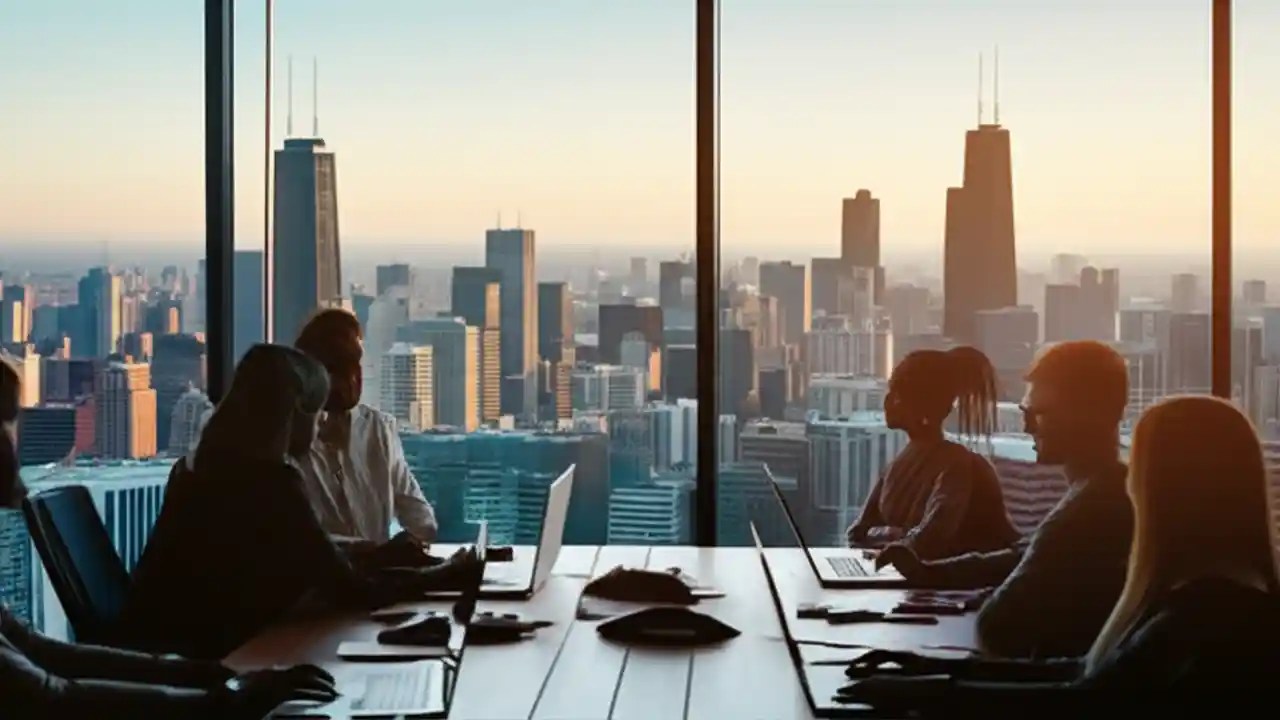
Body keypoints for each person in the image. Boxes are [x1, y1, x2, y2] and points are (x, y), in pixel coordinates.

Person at [842, 395, 1280, 714]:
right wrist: (929, 670)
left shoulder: (1203, 613)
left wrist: (928, 693)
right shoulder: (1218, 594)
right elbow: (1083, 673)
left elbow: (1086, 700)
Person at [1, 354, 342, 718]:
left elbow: (44, 655)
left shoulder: (203, 466)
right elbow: (47, 699)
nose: (13, 439)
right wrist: (227, 699)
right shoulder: (266, 480)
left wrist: (221, 677)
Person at [118, 344, 473, 661]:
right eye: (318, 414)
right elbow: (350, 593)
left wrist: (370, 554)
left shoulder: (196, 468)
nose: (321, 426)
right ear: (294, 415)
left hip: (163, 650)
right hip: (213, 665)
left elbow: (295, 554)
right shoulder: (270, 483)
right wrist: (444, 573)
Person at [877, 341, 1133, 659]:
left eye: (1038, 414)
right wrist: (929, 573)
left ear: (1087, 415)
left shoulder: (1091, 509)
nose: (1026, 427)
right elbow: (1021, 556)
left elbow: (996, 628)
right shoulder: (1106, 491)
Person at [845, 346, 1019, 560]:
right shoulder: (900, 462)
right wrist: (894, 535)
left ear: (926, 406)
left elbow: (930, 540)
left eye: (899, 395)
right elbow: (857, 534)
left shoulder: (956, 463)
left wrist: (885, 536)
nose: (887, 402)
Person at [293, 309, 438, 547]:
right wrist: (372, 552)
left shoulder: (379, 429)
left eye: (356, 363)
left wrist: (412, 540)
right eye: (338, 367)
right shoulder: (291, 439)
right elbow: (297, 541)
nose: (352, 378)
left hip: (378, 579)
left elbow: (419, 515)